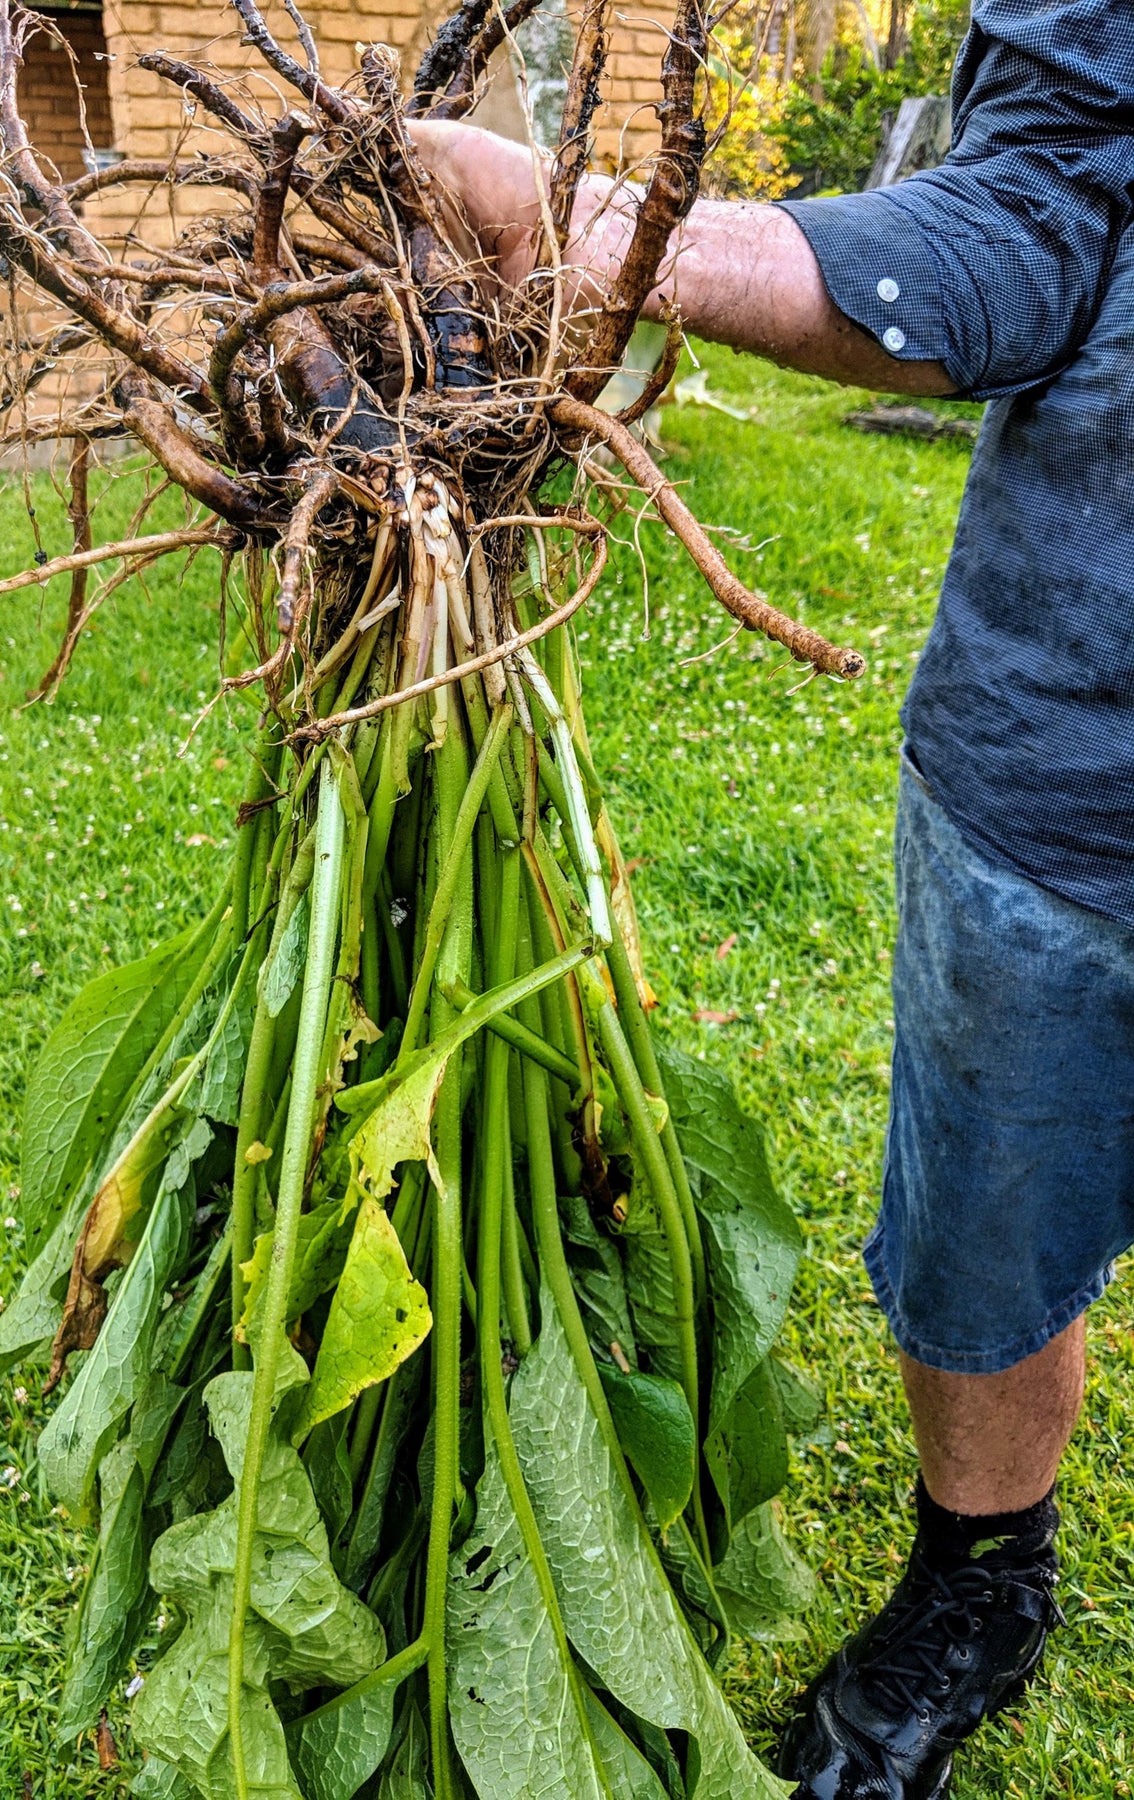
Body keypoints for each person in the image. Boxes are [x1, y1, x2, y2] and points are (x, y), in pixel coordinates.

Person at [410, 5, 1134, 1795]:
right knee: (986, 1218)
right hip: (1068, 750)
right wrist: (585, 225)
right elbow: (1027, 219)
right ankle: (979, 1578)